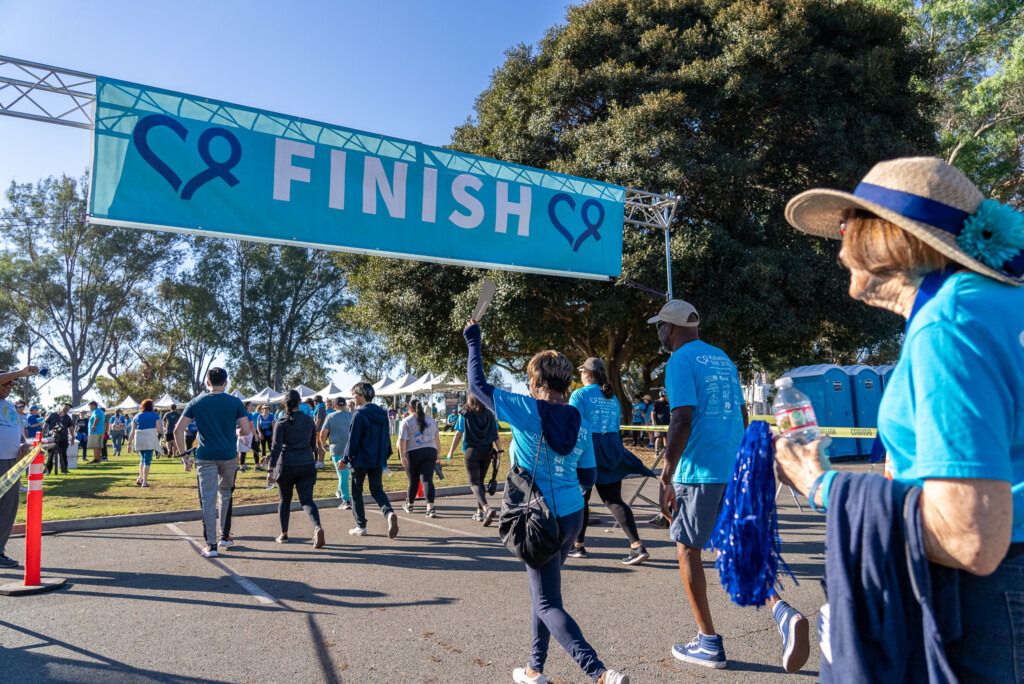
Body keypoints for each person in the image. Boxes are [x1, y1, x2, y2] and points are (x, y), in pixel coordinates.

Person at [777, 156, 1024, 681]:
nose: (839, 247)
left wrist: (821, 486)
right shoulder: (999, 303)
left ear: (884, 239)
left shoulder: (949, 326)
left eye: (846, 228)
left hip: (988, 603)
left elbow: (969, 539)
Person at [462, 320, 629, 684]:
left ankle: (599, 673)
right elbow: (589, 476)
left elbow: (477, 385)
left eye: (529, 382)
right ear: (568, 383)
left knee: (547, 601)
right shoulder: (579, 419)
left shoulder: (526, 408)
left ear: (536, 383)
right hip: (571, 517)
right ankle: (534, 669)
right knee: (544, 594)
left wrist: (473, 340)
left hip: (538, 519)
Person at [651, 299, 808, 672]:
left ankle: (708, 643)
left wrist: (666, 475)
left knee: (688, 550)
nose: (658, 332)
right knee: (732, 548)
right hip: (733, 467)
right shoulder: (723, 358)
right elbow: (742, 414)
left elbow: (682, 419)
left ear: (670, 329)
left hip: (699, 470)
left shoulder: (678, 360)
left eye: (659, 326)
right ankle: (782, 611)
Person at [568, 358, 653, 566]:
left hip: (589, 448)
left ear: (587, 374)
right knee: (614, 500)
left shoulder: (579, 394)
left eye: (581, 372)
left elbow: (573, 426)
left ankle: (578, 546)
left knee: (581, 500)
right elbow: (616, 425)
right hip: (612, 447)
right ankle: (636, 545)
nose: (580, 375)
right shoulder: (612, 397)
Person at [173, 367, 251, 558]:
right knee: (225, 494)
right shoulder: (235, 402)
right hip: (229, 455)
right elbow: (246, 430)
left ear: (208, 383)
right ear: (226, 382)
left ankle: (211, 544)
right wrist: (236, 432)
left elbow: (177, 430)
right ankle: (224, 536)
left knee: (207, 498)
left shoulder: (196, 402)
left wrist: (184, 455)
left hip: (205, 455)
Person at [266, 389, 325, 548]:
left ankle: (284, 534)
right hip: (306, 463)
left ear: (285, 403)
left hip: (286, 465)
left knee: (285, 500)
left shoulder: (281, 422)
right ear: (300, 403)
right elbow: (313, 444)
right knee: (307, 500)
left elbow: (276, 448)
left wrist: (270, 470)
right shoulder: (308, 420)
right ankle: (317, 526)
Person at [340, 382, 398, 538]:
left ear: (361, 395)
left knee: (357, 493)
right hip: (377, 459)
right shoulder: (382, 414)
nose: (353, 399)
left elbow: (353, 440)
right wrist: (384, 457)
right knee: (377, 489)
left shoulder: (359, 415)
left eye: (354, 395)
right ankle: (389, 513)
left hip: (359, 460)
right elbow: (386, 438)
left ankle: (361, 526)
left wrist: (344, 459)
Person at [0, 365, 39, 568]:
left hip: (12, 463)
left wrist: (24, 443)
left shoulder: (10, 407)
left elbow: (17, 431)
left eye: (11, 383)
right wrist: (21, 373)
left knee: (8, 508)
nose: (9, 386)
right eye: (5, 382)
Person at [446, 393, 502, 524]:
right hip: (487, 452)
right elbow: (495, 434)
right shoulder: (489, 414)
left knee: (474, 483)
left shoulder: (465, 414)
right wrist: (499, 449)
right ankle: (480, 513)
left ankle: (486, 508)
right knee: (480, 482)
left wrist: (450, 451)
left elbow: (458, 434)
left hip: (472, 451)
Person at [398, 398, 442, 517]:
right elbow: (437, 439)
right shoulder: (431, 420)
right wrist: (438, 454)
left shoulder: (406, 421)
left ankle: (410, 504)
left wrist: (402, 456)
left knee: (413, 480)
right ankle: (430, 508)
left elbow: (402, 441)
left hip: (413, 452)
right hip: (431, 451)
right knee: (427, 479)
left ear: (410, 408)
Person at [321, 398, 353, 510]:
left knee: (342, 474)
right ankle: (340, 490)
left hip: (337, 448)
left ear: (334, 406)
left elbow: (323, 433)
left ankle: (346, 500)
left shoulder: (330, 416)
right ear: (345, 405)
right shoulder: (352, 415)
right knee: (345, 474)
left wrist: (323, 444)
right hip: (351, 448)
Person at [131, 399, 162, 487]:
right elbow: (159, 429)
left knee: (142, 458)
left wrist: (129, 444)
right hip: (149, 438)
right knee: (147, 459)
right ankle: (144, 481)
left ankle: (140, 477)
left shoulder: (136, 416)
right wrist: (159, 432)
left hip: (139, 438)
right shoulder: (155, 415)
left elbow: (132, 431)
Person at [43, 402, 74, 475]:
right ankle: (47, 471)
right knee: (50, 454)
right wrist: (42, 435)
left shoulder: (68, 418)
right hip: (52, 438)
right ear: (62, 406)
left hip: (63, 438)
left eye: (68, 407)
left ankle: (64, 470)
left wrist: (73, 437)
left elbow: (71, 428)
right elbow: (45, 425)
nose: (66, 408)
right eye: (65, 406)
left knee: (63, 454)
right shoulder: (53, 415)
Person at [255, 405, 274, 470]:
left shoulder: (271, 416)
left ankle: (272, 462)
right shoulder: (259, 416)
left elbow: (273, 426)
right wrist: (260, 433)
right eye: (265, 409)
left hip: (269, 434)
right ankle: (264, 463)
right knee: (263, 449)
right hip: (262, 434)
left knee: (270, 448)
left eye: (267, 408)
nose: (266, 410)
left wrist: (273, 435)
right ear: (262, 410)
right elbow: (258, 426)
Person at [312, 394, 327, 468]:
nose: (314, 403)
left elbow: (318, 420)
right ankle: (321, 461)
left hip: (318, 430)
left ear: (316, 401)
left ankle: (321, 461)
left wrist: (314, 429)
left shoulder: (319, 408)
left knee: (320, 446)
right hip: (321, 429)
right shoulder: (322, 407)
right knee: (321, 446)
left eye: (314, 401)